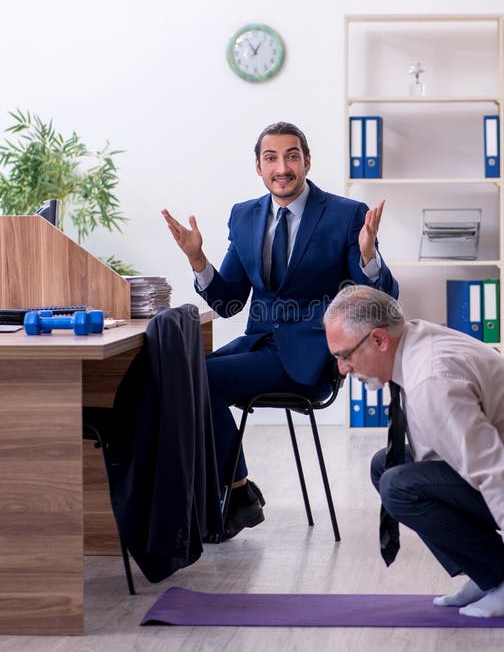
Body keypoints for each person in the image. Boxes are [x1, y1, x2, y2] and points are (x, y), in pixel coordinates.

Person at [162, 122, 399, 540]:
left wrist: (367, 256)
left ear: (307, 161)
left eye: (292, 156)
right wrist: (198, 261)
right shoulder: (245, 216)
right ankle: (232, 492)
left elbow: (383, 300)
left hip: (309, 358)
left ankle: (235, 497)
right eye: (271, 158)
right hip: (259, 344)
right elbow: (230, 302)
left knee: (196, 378)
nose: (282, 168)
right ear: (258, 166)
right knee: (179, 374)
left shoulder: (345, 215)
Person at [324, 284, 504, 618]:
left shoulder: (433, 381)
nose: (342, 369)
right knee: (386, 465)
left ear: (378, 340)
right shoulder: (414, 341)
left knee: (399, 486)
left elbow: (496, 475)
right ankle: (491, 573)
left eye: (345, 355)